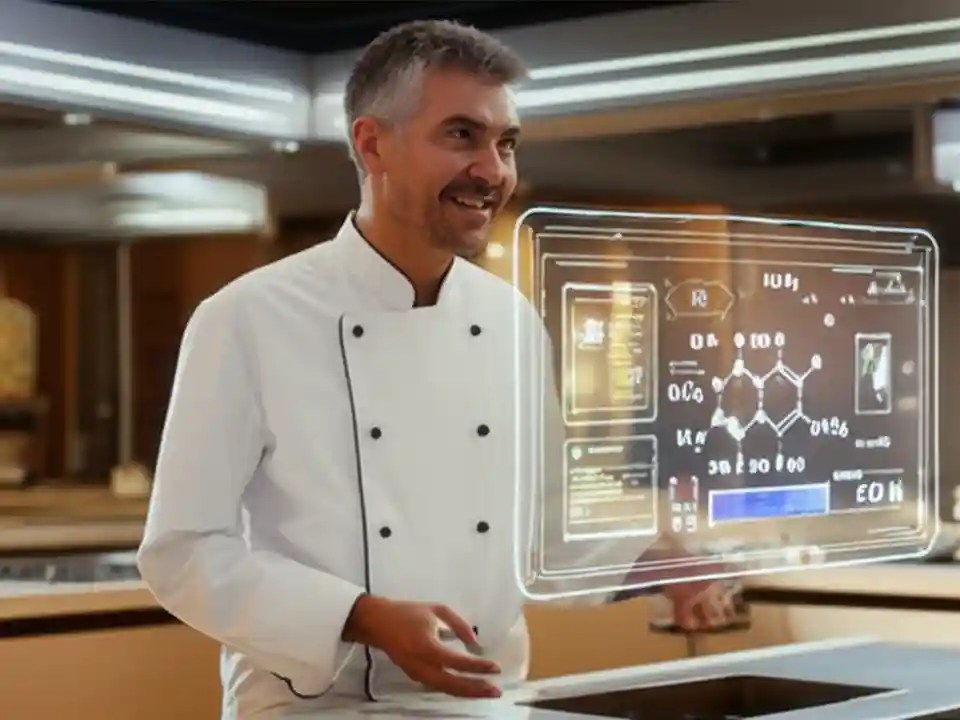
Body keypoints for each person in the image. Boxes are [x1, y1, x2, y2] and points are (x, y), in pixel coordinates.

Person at [138, 20, 732, 720]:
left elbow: (538, 530)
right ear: (371, 143)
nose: (493, 170)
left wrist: (658, 566)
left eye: (505, 142)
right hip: (314, 711)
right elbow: (183, 553)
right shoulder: (246, 320)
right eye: (461, 135)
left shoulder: (510, 321)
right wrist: (362, 617)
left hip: (488, 703)